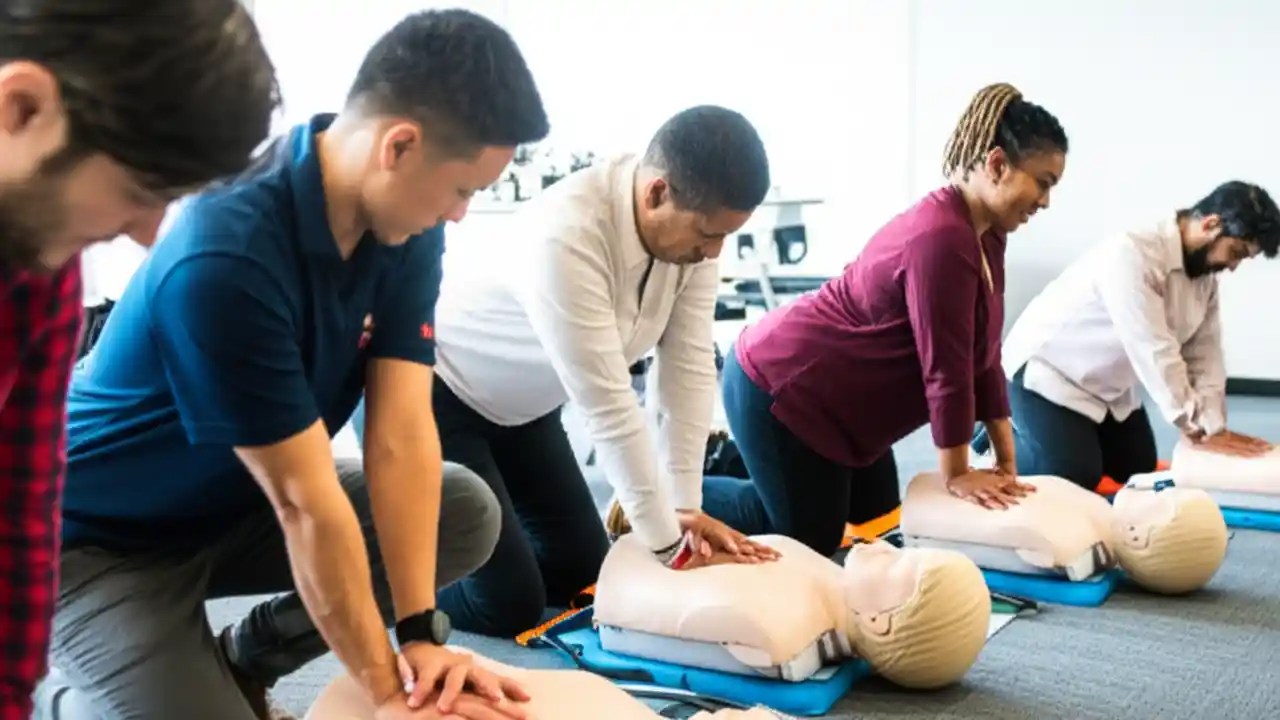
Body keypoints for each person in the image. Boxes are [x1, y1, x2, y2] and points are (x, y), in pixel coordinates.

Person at [41, 10, 548, 720]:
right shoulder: (227, 252)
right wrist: (388, 691)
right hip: (100, 541)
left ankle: (247, 656)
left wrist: (420, 637)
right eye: (464, 190)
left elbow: (400, 433)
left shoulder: (406, 224)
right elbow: (306, 508)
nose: (461, 214)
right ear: (399, 147)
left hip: (237, 501)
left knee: (461, 509)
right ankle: (71, 697)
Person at [352, 105, 778, 637]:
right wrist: (670, 549)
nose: (713, 251)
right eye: (705, 235)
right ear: (657, 193)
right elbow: (609, 406)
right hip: (432, 396)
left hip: (522, 411)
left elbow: (687, 369)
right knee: (509, 605)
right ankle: (374, 569)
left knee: (586, 574)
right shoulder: (568, 235)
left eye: (724, 237)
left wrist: (682, 509)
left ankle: (469, 545)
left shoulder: (692, 241)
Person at [0, 1, 279, 717]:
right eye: (136, 194)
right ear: (21, 108)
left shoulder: (43, 270)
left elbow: (23, 504)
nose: (150, 236)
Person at [699, 83, 1068, 558]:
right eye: (1043, 182)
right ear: (997, 164)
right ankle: (675, 490)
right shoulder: (942, 237)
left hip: (844, 412)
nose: (1045, 201)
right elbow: (946, 371)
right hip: (782, 390)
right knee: (805, 539)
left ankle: (744, 460)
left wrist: (1005, 463)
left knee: (878, 517)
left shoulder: (987, 234)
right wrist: (957, 474)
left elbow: (983, 357)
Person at [974, 181, 1280, 491]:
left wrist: (1215, 427)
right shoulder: (1132, 253)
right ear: (1211, 224)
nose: (1233, 265)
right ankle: (990, 440)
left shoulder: (1205, 278)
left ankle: (1065, 436)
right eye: (1237, 252)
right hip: (1047, 373)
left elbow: (1207, 355)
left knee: (1136, 466)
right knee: (1071, 474)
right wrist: (1193, 424)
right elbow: (1153, 349)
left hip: (1108, 385)